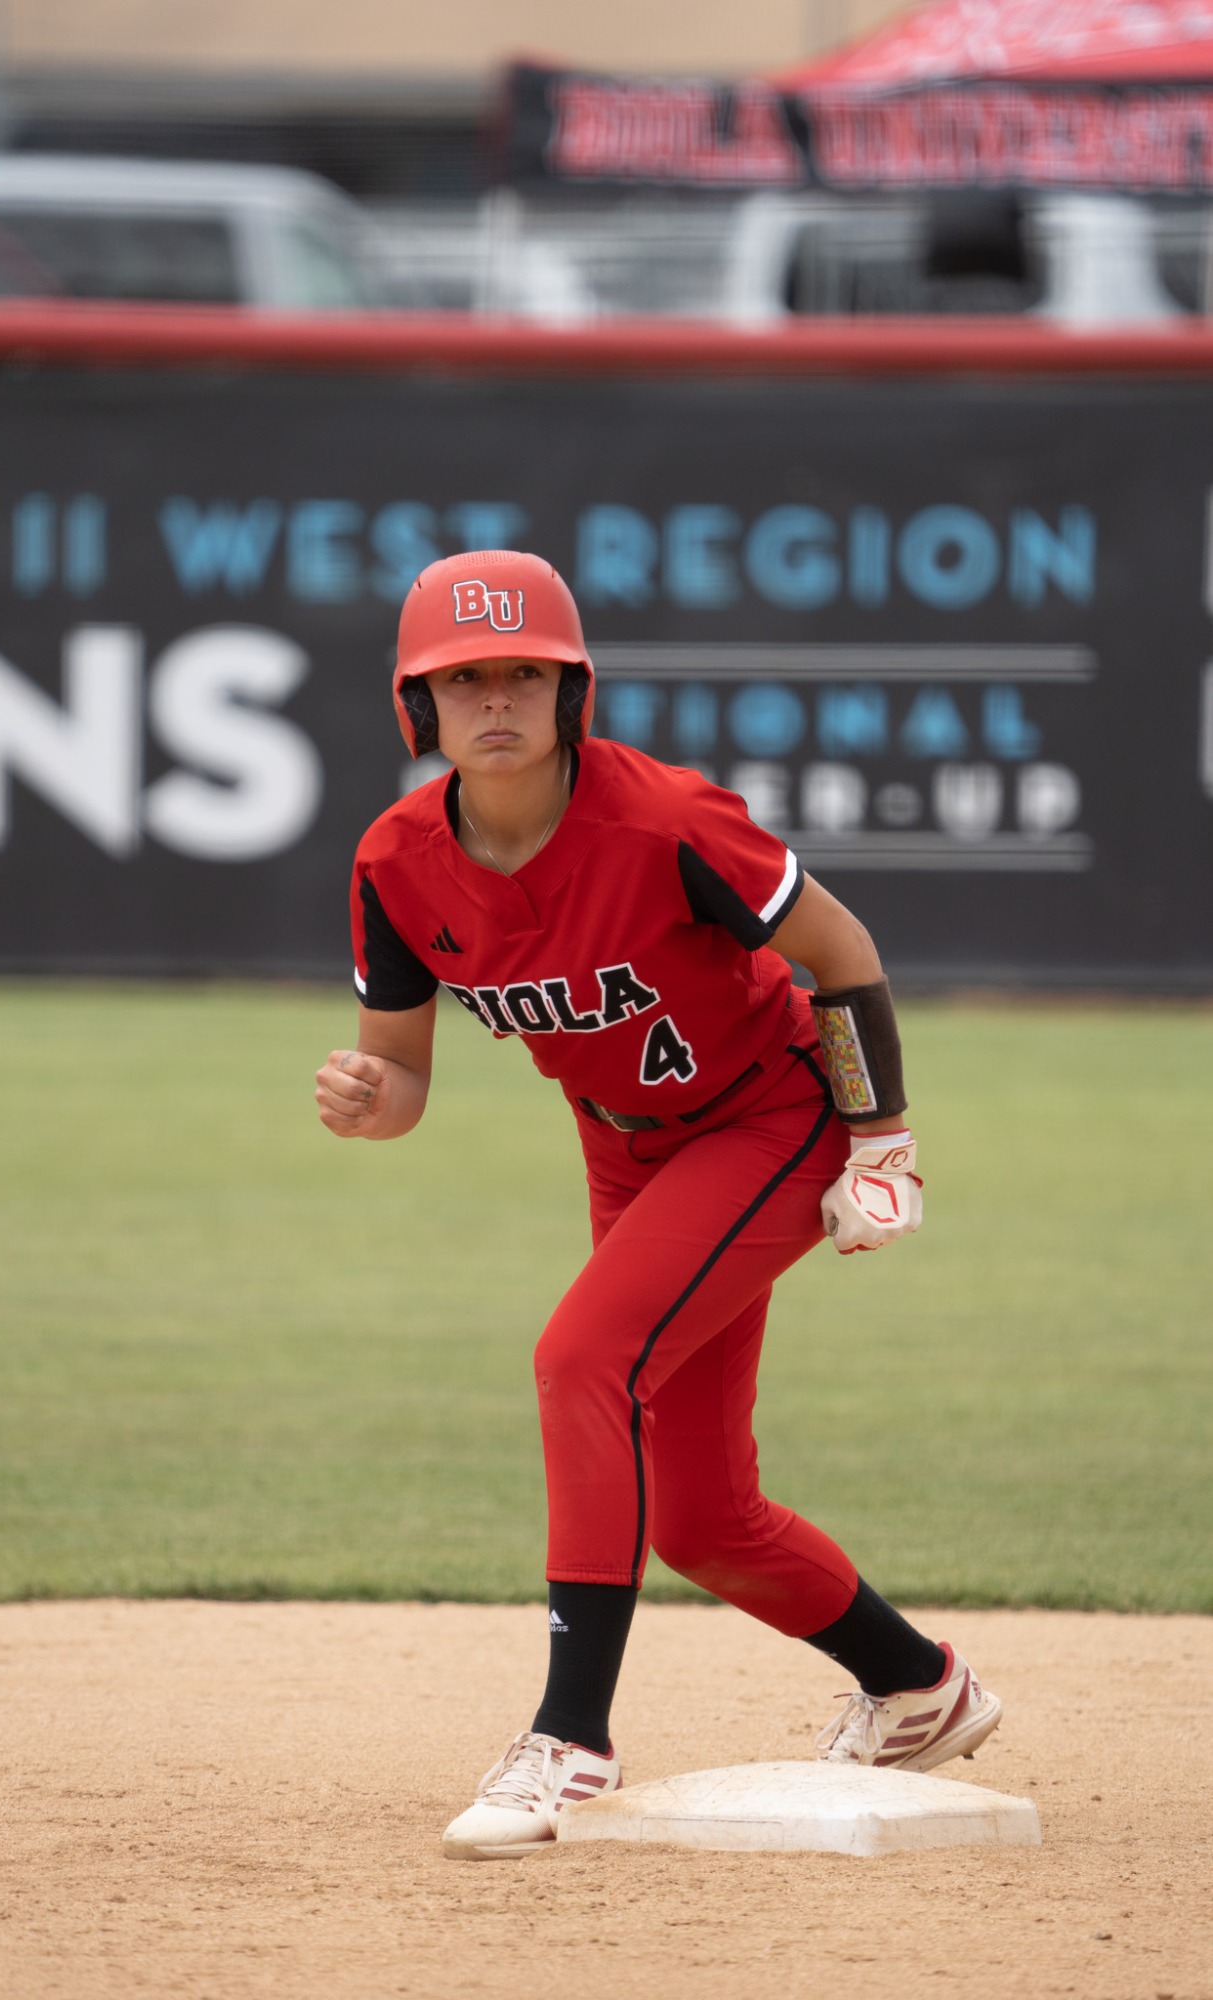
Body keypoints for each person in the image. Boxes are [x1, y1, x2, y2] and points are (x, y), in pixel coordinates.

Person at [316, 549, 1002, 1862]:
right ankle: (918, 1689)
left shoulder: (665, 819)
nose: (494, 700)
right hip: (626, 1152)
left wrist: (881, 1137)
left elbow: (839, 951)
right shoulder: (394, 862)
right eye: (462, 680)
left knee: (583, 1358)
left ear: (572, 692)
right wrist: (369, 1097)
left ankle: (569, 1738)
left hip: (769, 1115)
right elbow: (401, 1074)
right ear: (418, 707)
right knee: (697, 1516)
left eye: (524, 674)